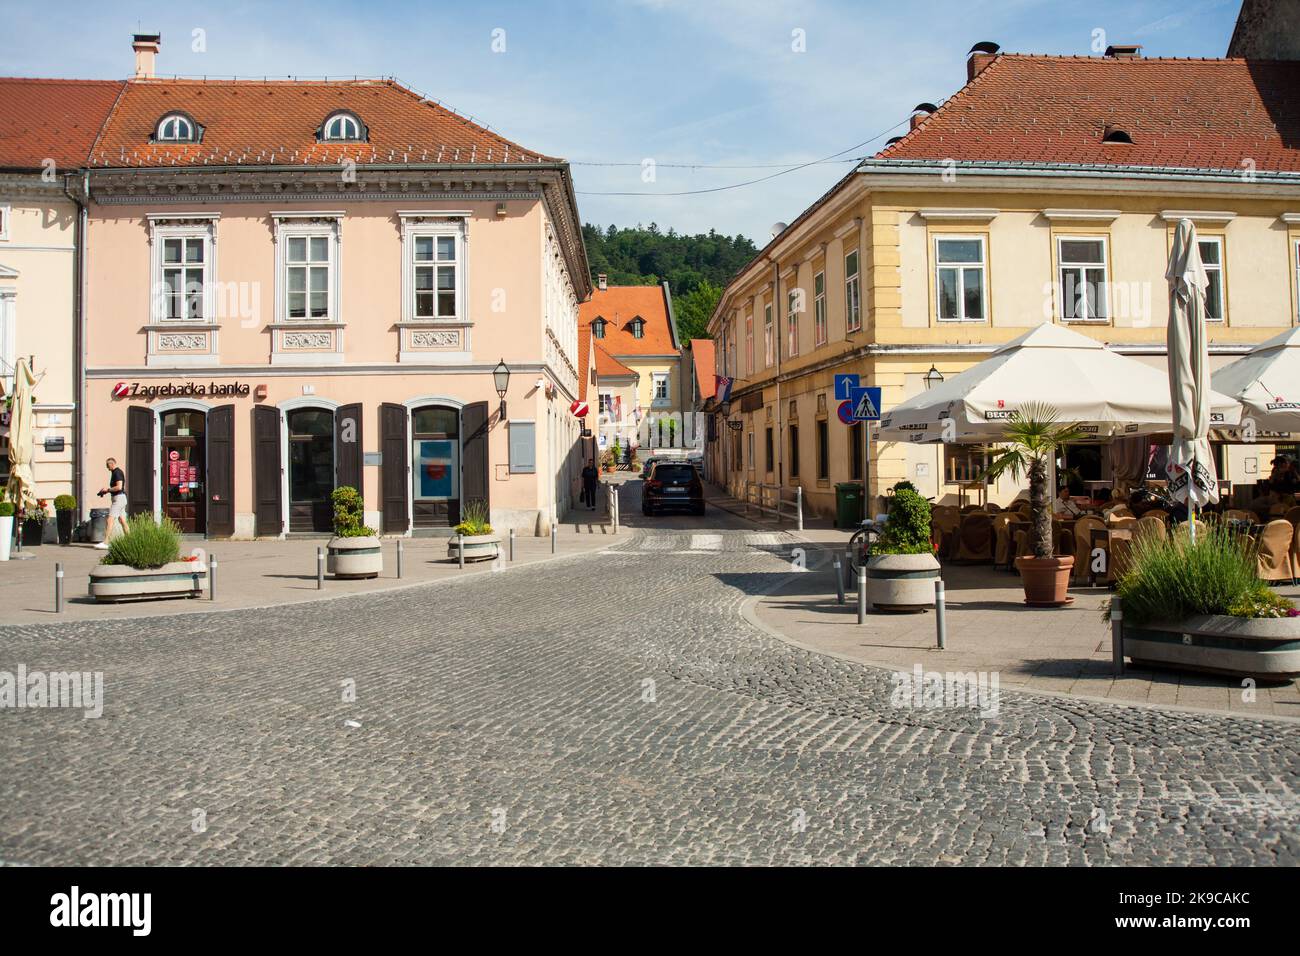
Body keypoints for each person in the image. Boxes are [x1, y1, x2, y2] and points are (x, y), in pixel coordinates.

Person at [95, 457, 128, 549]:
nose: (106, 467)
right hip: (119, 498)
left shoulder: (117, 472)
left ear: (112, 464)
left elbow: (119, 487)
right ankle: (130, 539)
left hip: (118, 499)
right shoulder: (115, 472)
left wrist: (108, 489)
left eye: (107, 465)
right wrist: (106, 491)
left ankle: (106, 542)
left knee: (109, 520)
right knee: (122, 520)